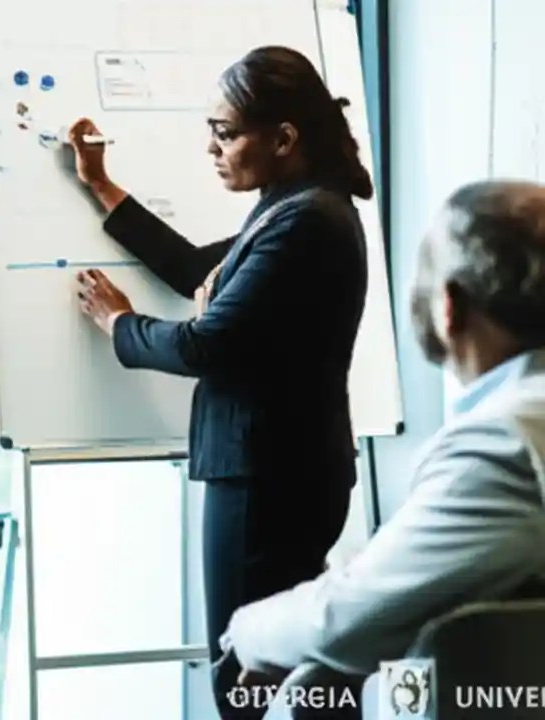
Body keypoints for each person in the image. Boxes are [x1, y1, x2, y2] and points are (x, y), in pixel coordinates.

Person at [66, 46, 373, 718]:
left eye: (225, 132)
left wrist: (119, 322)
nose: (210, 147)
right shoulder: (294, 205)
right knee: (295, 666)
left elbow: (207, 344)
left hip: (265, 477)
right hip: (289, 470)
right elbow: (191, 268)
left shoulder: (304, 221)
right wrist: (101, 186)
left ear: (284, 139)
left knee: (244, 677)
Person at [220, 180, 545, 690]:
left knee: (312, 684)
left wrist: (244, 631)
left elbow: (346, 623)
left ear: (448, 306)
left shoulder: (504, 441)